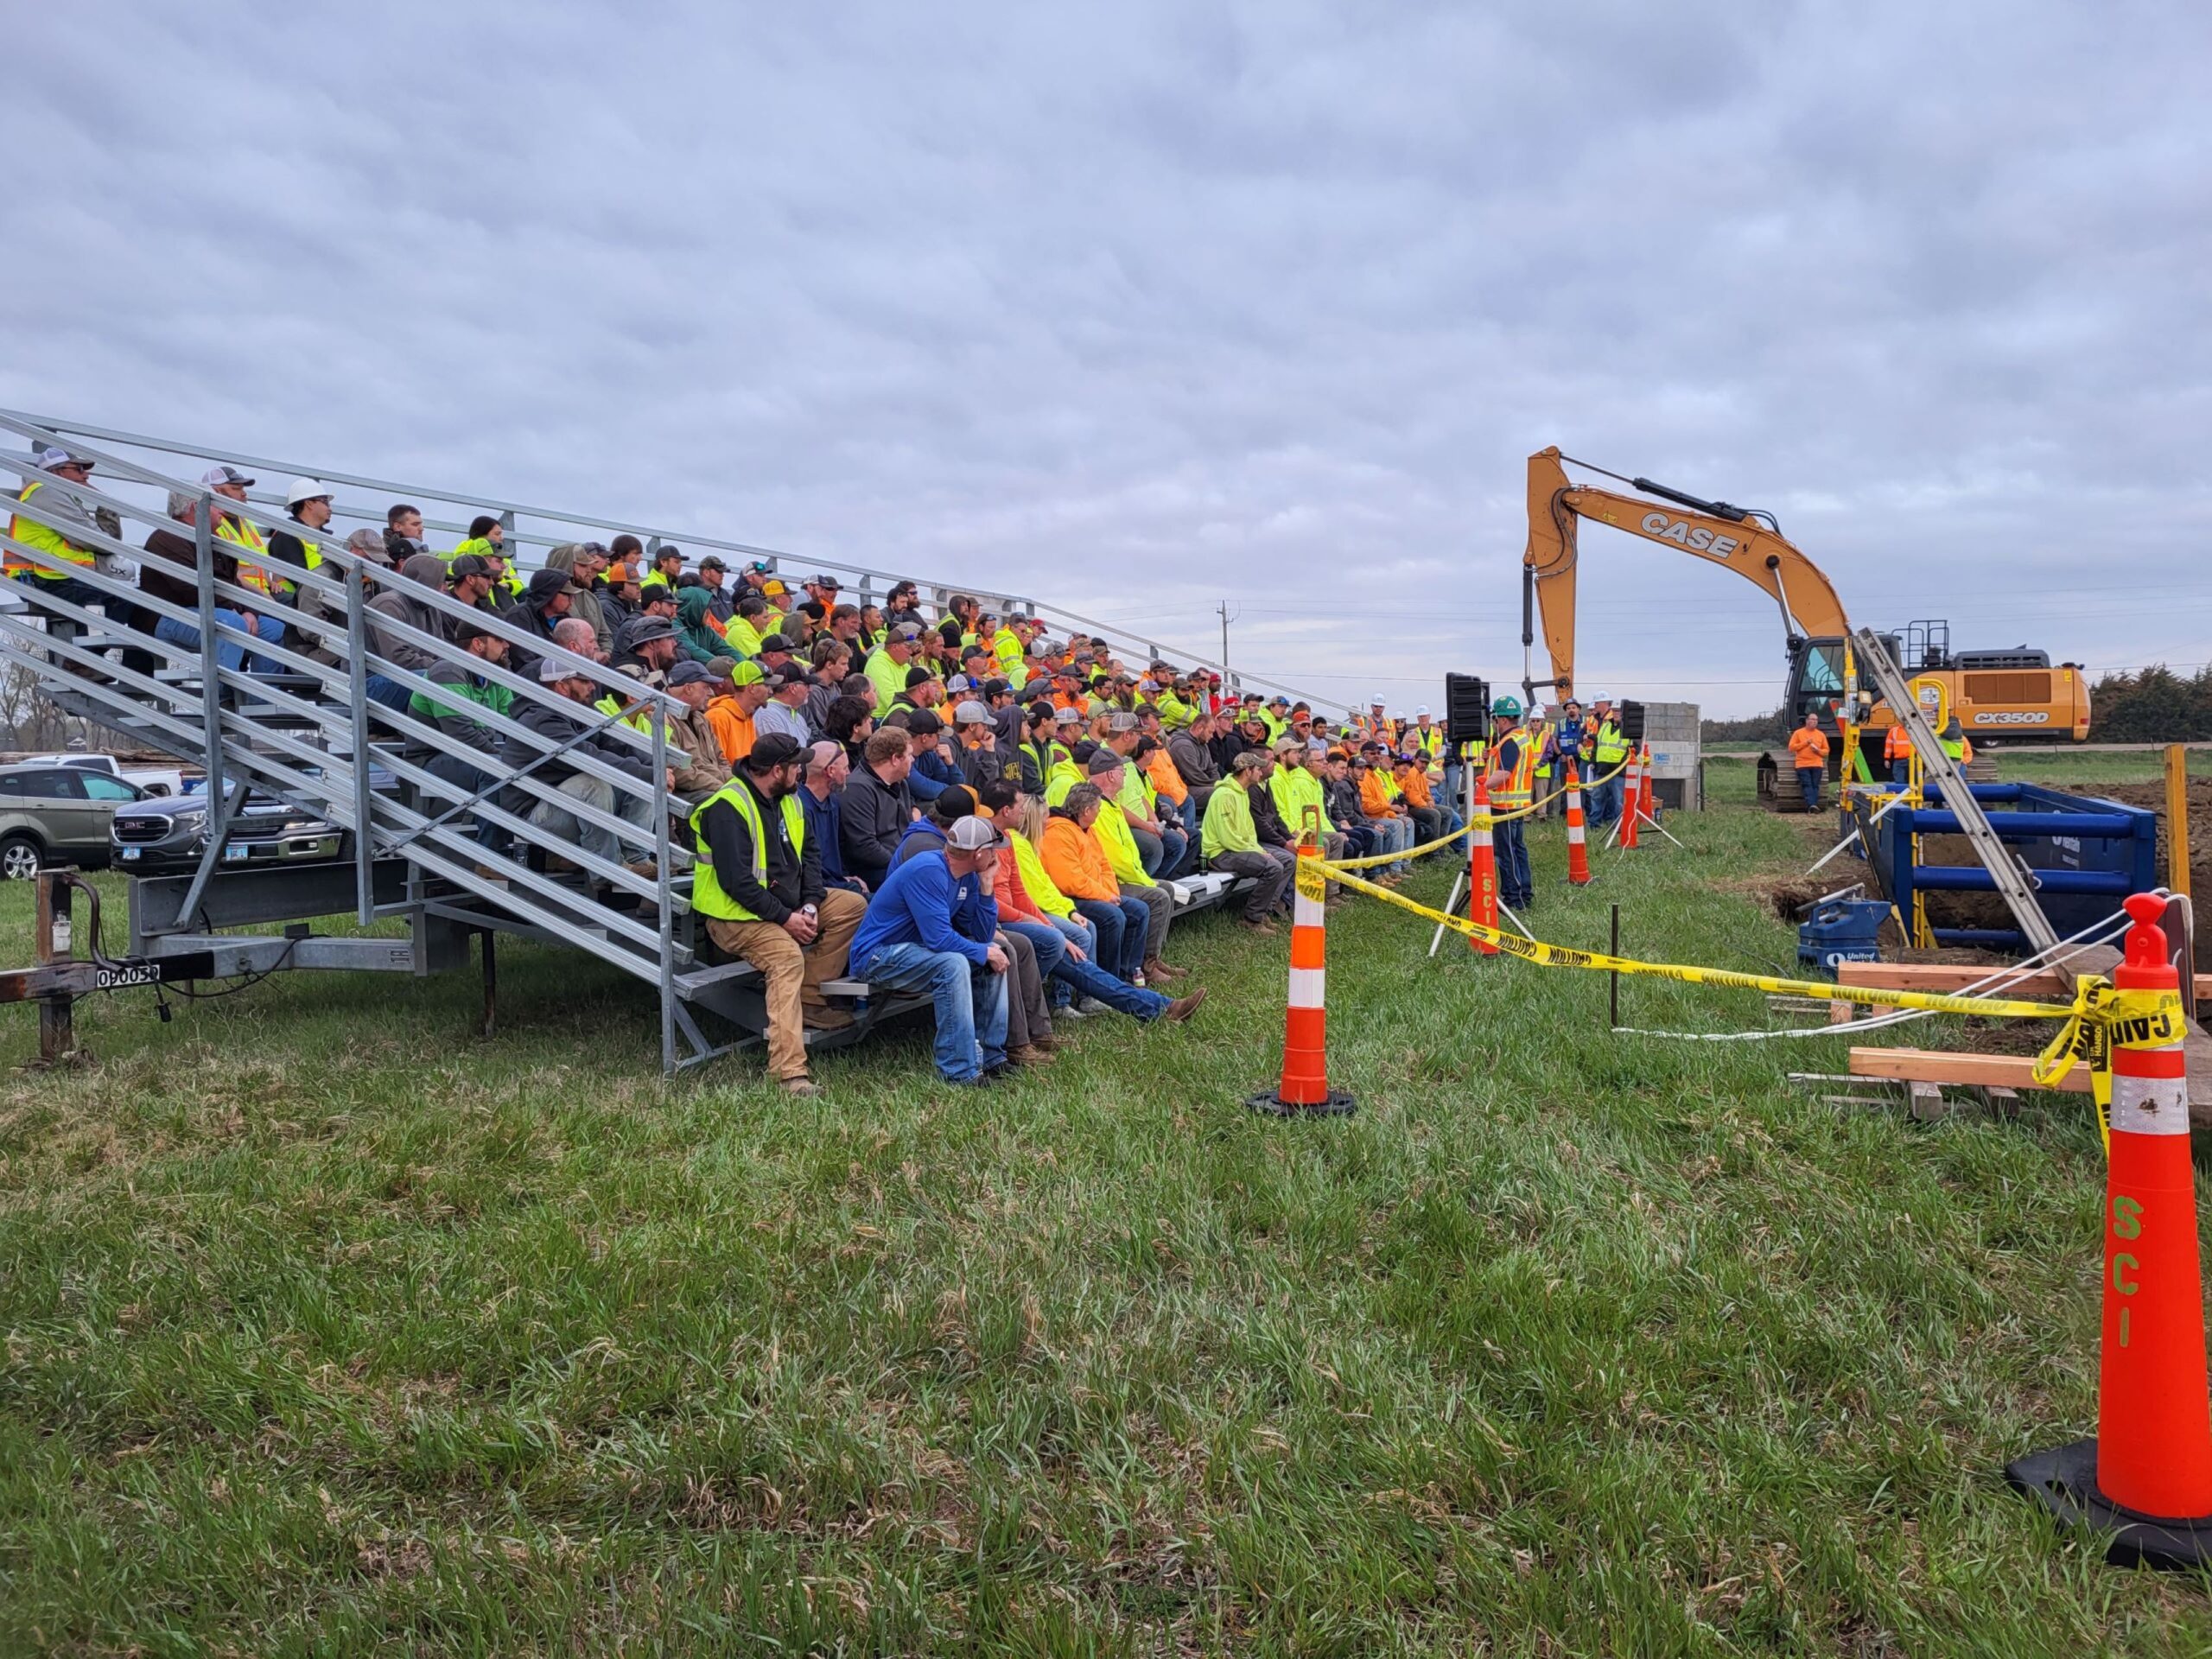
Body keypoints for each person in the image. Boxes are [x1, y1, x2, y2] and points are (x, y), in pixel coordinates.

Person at [690, 733, 867, 1096]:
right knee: (786, 958)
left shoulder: (790, 799)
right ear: (777, 770)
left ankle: (810, 998)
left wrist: (811, 904)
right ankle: (789, 1074)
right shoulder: (727, 806)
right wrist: (787, 918)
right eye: (796, 766)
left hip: (785, 906)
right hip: (734, 917)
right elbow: (737, 883)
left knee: (853, 906)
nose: (801, 771)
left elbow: (811, 855)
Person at [978, 782, 1204, 1025]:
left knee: (1075, 952)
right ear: (1006, 811)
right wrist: (1047, 923)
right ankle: (1054, 1009)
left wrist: (1049, 924)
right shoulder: (987, 842)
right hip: (1002, 924)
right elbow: (1000, 902)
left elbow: (1021, 893)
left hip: (1021, 919)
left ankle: (1162, 1006)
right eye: (1020, 806)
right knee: (1075, 939)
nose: (1025, 811)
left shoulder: (1008, 840)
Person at [847, 815, 1011, 1086]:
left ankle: (991, 1057)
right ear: (979, 853)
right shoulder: (929, 869)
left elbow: (982, 935)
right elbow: (939, 940)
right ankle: (958, 1071)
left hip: (917, 950)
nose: (996, 855)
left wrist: (986, 887)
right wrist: (983, 952)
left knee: (993, 950)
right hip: (877, 955)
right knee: (954, 964)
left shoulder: (968, 876)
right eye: (993, 849)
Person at [517, 657, 665, 886]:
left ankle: (637, 859)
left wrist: (659, 766)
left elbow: (617, 745)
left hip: (564, 805)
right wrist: (648, 772)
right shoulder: (541, 719)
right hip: (534, 816)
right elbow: (586, 756)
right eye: (584, 681)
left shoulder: (579, 712)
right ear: (562, 686)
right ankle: (608, 870)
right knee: (593, 783)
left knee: (640, 775)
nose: (593, 687)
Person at [137, 492, 287, 678]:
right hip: (170, 615)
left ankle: (259, 696)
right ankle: (223, 694)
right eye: (216, 505)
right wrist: (236, 610)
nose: (222, 511)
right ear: (196, 507)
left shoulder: (213, 540)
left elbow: (234, 583)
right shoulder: (168, 537)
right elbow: (191, 589)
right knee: (231, 624)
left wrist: (249, 612)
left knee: (275, 630)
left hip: (213, 612)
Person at [408, 620, 516, 858]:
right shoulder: (447, 671)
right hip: (430, 760)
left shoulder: (494, 676)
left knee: (529, 766)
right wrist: (502, 758)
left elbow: (516, 725)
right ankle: (492, 859)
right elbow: (460, 734)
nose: (507, 645)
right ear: (478, 644)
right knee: (495, 771)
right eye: (499, 639)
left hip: (472, 756)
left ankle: (548, 851)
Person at [1076, 752, 1182, 984]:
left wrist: (1144, 878)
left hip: (1120, 878)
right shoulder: (1097, 808)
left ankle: (1152, 959)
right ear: (1111, 775)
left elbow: (1126, 851)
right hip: (1109, 882)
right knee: (1158, 896)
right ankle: (1142, 967)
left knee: (1166, 889)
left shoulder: (1111, 804)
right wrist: (1144, 880)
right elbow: (1114, 858)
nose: (1125, 775)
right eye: (1122, 771)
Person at [1201, 751, 1292, 931]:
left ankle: (1264, 912)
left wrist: (1259, 850)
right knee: (1273, 867)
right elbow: (1228, 838)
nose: (1261, 772)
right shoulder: (1225, 795)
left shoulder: (1242, 793)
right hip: (1220, 853)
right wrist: (1259, 852)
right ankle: (1252, 919)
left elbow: (1249, 832)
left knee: (1287, 861)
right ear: (1247, 771)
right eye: (1258, 769)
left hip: (1237, 849)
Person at [362, 553, 449, 710]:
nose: (446, 587)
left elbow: (439, 652)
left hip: (406, 676)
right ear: (426, 582)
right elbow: (398, 659)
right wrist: (442, 668)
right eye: (441, 582)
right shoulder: (389, 604)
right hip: (369, 682)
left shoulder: (432, 609)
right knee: (442, 679)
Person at [842, 725, 918, 892]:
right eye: (909, 755)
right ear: (895, 759)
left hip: (901, 860)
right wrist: (904, 865)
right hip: (875, 870)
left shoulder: (900, 783)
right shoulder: (858, 789)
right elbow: (864, 846)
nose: (912, 760)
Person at [797, 741, 868, 896]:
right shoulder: (800, 807)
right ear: (830, 771)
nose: (849, 773)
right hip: (816, 890)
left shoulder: (833, 802)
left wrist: (844, 877)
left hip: (837, 883)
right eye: (845, 768)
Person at [1486, 696, 1535, 912]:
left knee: (1506, 853)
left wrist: (1480, 787)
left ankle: (1514, 899)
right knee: (1518, 848)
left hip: (1504, 805)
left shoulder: (1509, 741)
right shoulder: (1520, 737)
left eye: (1494, 720)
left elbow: (1504, 773)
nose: (1493, 724)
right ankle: (1524, 893)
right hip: (1516, 803)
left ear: (1502, 720)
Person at [662, 659, 733, 799]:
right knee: (725, 803)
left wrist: (736, 783)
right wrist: (722, 787)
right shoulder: (661, 718)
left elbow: (721, 760)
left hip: (714, 786)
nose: (711, 693)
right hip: (687, 793)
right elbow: (677, 769)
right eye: (706, 687)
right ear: (688, 688)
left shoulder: (702, 718)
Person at [706, 659, 770, 763]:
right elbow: (718, 764)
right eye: (766, 686)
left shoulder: (747, 715)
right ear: (752, 688)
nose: (771, 691)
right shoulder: (718, 717)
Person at [1584, 696, 1630, 827]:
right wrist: (1593, 761)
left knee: (1618, 801)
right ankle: (1594, 824)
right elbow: (1597, 745)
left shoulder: (1628, 729)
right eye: (1614, 711)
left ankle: (1618, 826)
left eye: (1619, 711)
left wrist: (1622, 764)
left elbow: (1633, 749)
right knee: (1597, 798)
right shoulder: (1605, 726)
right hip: (1602, 770)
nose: (1616, 713)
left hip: (1618, 771)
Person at [753, 667, 815, 745]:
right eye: (807, 685)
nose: (810, 689)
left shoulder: (799, 717)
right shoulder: (768, 714)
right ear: (792, 688)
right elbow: (778, 751)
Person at [1788, 710, 1829, 811]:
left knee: (1815, 785)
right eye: (1812, 719)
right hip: (1802, 764)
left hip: (1817, 764)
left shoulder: (1821, 735)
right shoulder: (1798, 733)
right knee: (1807, 784)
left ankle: (1812, 805)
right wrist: (1805, 743)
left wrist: (1818, 750)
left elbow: (1826, 751)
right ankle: (1812, 804)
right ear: (1807, 721)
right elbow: (1791, 747)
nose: (1815, 722)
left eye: (1816, 720)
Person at [1884, 719, 1914, 785]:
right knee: (1900, 782)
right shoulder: (1894, 730)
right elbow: (1888, 746)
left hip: (1913, 760)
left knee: (1914, 782)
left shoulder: (1914, 730)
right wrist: (1887, 759)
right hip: (1900, 760)